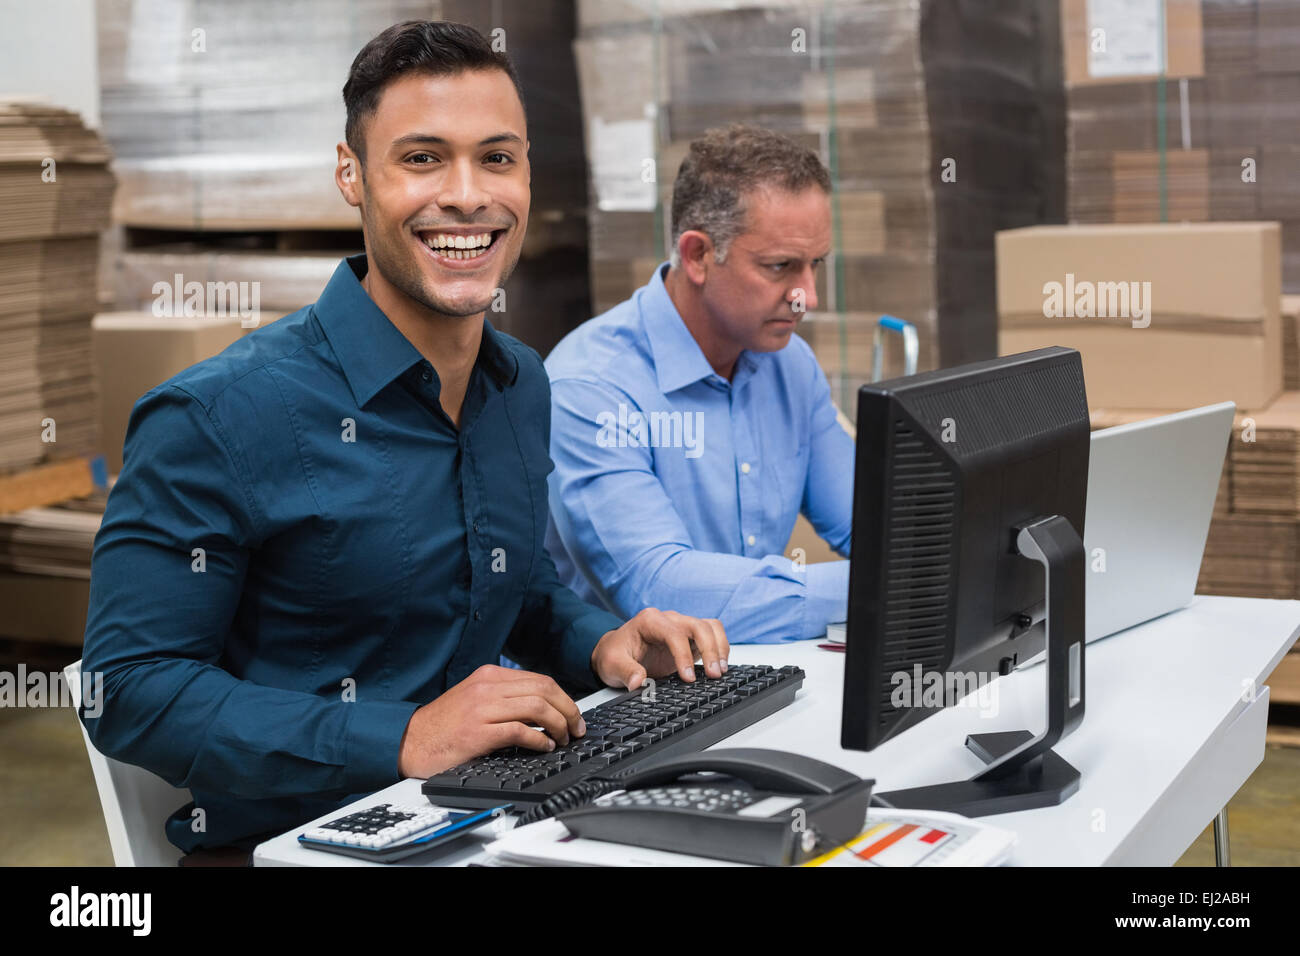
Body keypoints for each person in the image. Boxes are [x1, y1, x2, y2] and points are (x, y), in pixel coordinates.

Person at [80, 20, 728, 861]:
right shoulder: (217, 416)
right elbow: (128, 691)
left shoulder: (519, 385)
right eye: (422, 158)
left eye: (497, 158)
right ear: (351, 175)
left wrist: (598, 642)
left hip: (488, 816)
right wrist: (403, 737)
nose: (467, 196)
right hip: (300, 847)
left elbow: (513, 589)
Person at [544, 124, 854, 644]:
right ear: (697, 256)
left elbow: (878, 523)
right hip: (615, 704)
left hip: (745, 673)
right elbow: (662, 592)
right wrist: (878, 589)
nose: (808, 297)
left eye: (815, 265)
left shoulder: (790, 366)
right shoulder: (590, 387)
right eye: (781, 267)